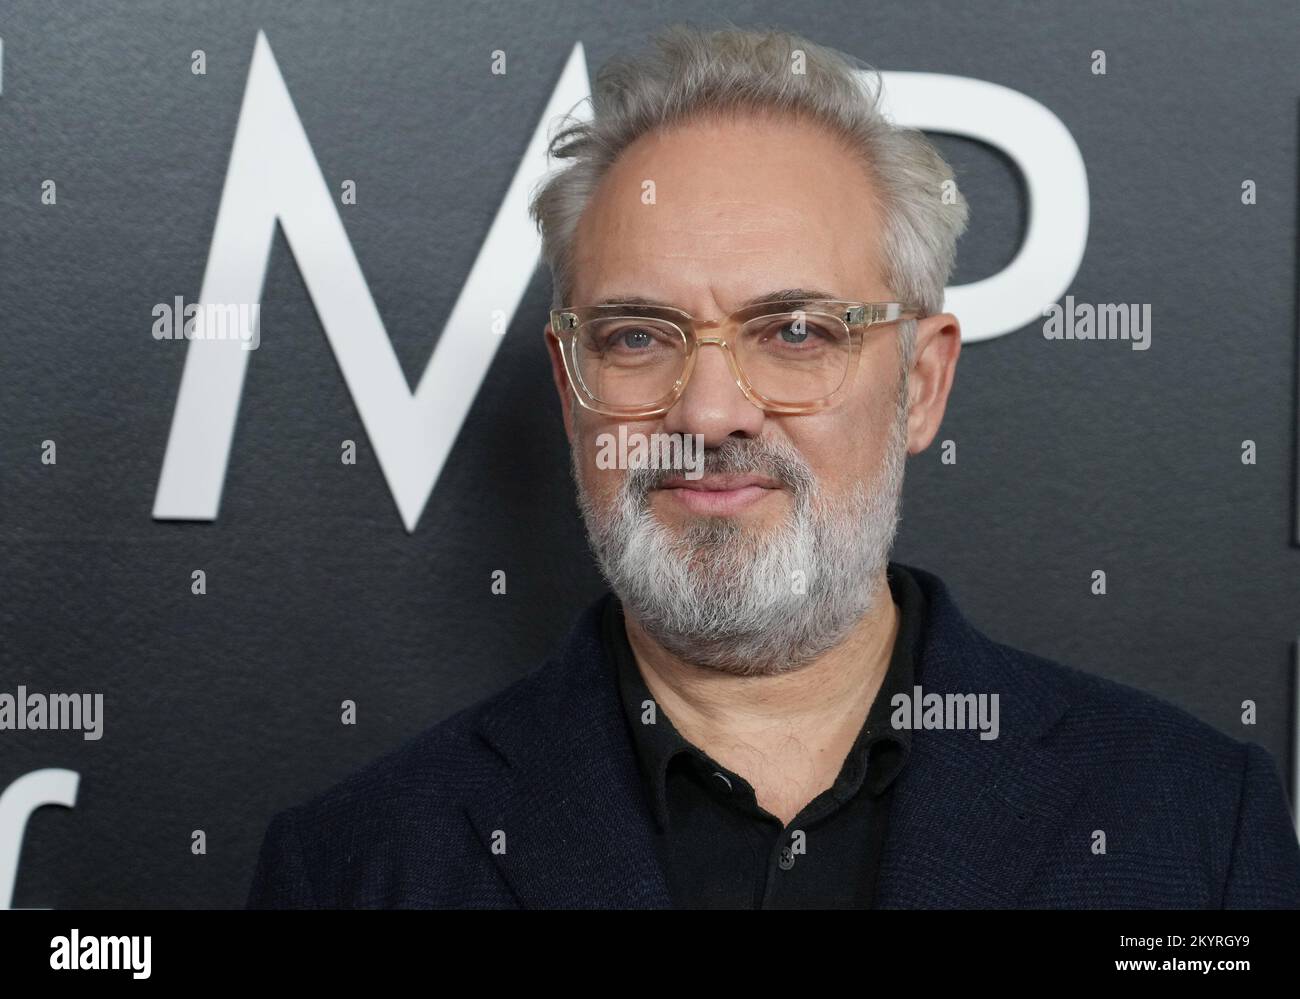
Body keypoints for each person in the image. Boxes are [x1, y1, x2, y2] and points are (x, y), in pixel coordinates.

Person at [247, 24, 1300, 908]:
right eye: (637, 336)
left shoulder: (1196, 829)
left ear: (920, 384)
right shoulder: (355, 870)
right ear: (571, 392)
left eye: (795, 332)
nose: (710, 411)